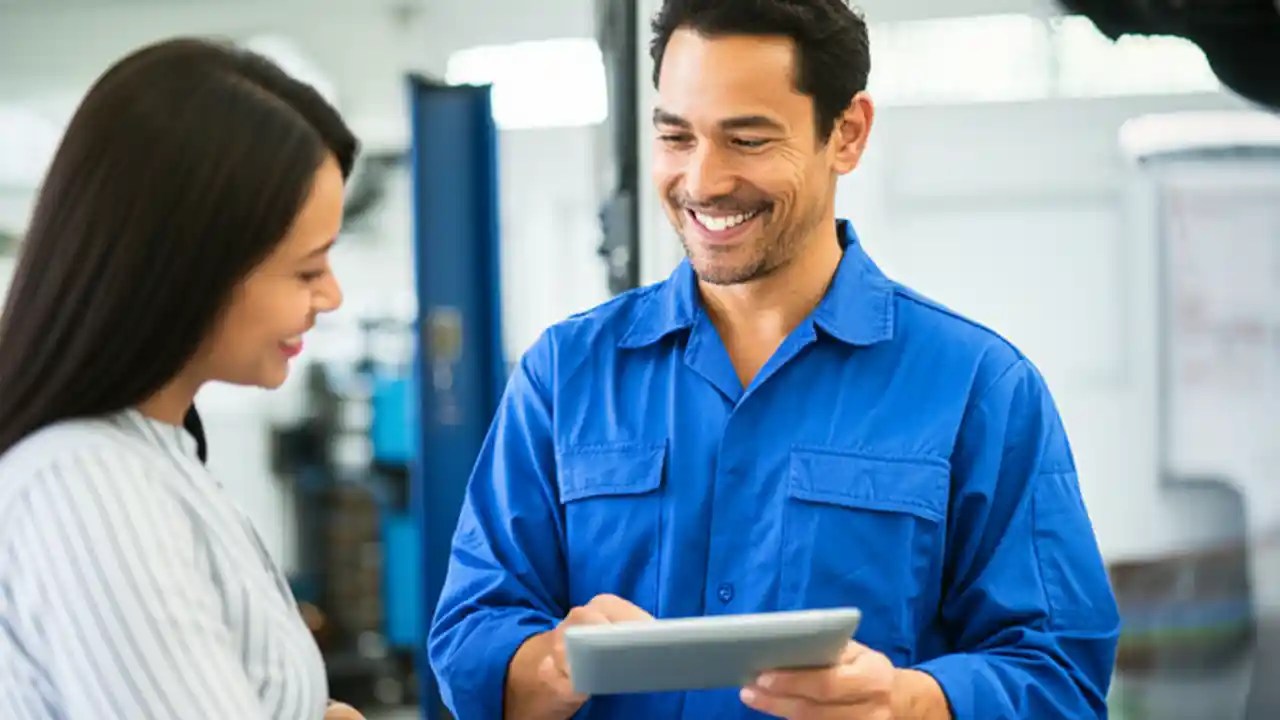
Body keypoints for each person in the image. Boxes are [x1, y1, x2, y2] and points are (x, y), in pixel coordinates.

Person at [428, 0, 1121, 718]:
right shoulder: (565, 376)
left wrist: (909, 703)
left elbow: (1061, 677)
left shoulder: (979, 388)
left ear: (847, 133)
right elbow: (471, 634)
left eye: (748, 141)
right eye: (676, 137)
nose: (703, 181)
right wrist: (552, 663)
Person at [0, 38, 366, 719]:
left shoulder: (157, 460)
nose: (332, 296)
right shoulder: (90, 488)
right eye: (308, 271)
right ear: (192, 270)